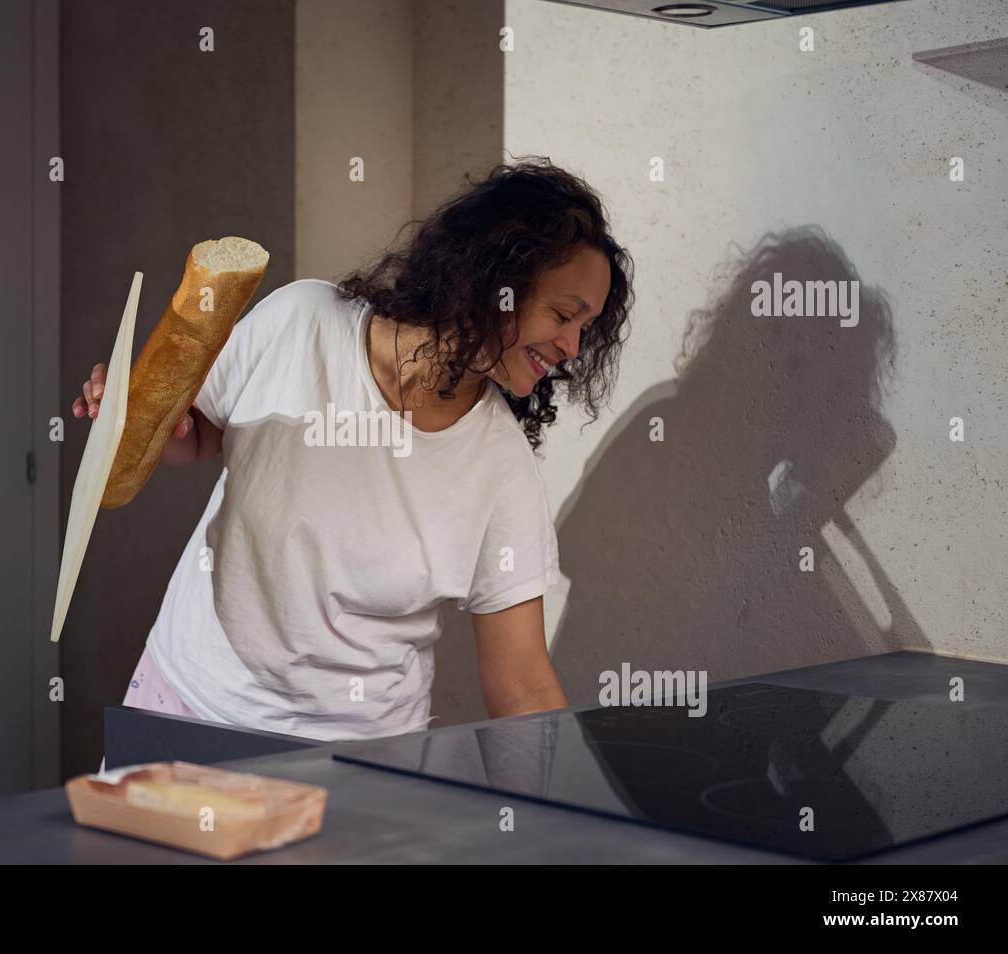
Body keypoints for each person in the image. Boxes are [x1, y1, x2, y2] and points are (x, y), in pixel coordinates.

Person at [72, 157, 634, 742]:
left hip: (360, 760)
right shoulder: (303, 320)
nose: (571, 345)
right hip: (193, 701)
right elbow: (201, 433)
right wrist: (136, 416)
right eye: (565, 315)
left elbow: (521, 683)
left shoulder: (501, 464)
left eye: (585, 328)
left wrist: (567, 806)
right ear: (495, 281)